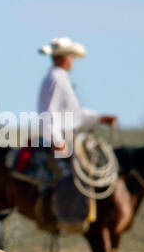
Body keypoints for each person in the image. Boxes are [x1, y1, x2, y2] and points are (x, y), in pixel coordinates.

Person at [24, 36, 117, 171]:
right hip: (61, 140)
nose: (72, 61)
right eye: (71, 57)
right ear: (64, 58)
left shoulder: (57, 78)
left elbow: (72, 113)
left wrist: (99, 118)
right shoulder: (57, 79)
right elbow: (49, 114)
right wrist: (57, 140)